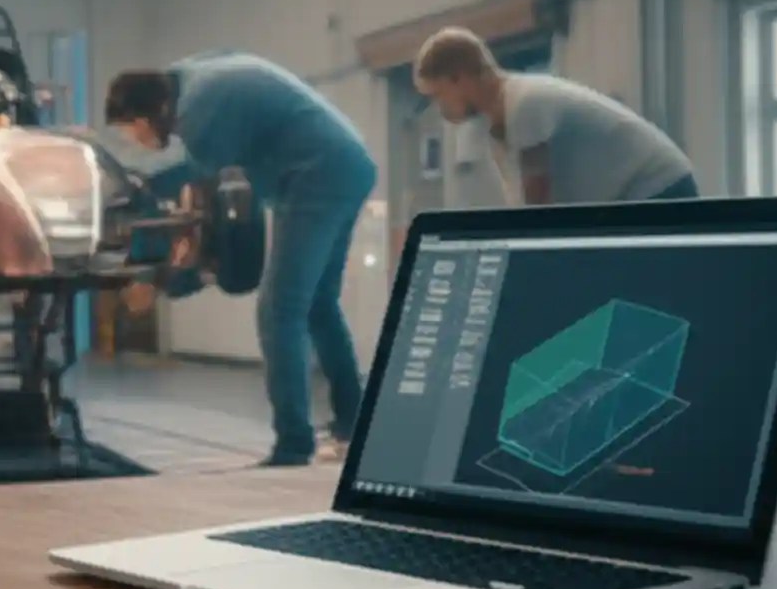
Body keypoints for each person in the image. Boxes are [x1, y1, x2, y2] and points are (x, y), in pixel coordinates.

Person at [104, 52, 378, 466]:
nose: (136, 142)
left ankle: (293, 446)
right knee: (318, 303)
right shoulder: (190, 80)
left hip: (317, 175)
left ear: (149, 113)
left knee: (278, 311)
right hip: (344, 164)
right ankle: (352, 423)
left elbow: (205, 218)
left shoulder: (197, 114)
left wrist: (160, 277)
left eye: (132, 131)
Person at [412, 26, 698, 204]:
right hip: (631, 198)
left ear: (458, 79)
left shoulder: (525, 105)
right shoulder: (500, 128)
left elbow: (538, 211)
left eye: (437, 95)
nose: (441, 109)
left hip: (659, 189)